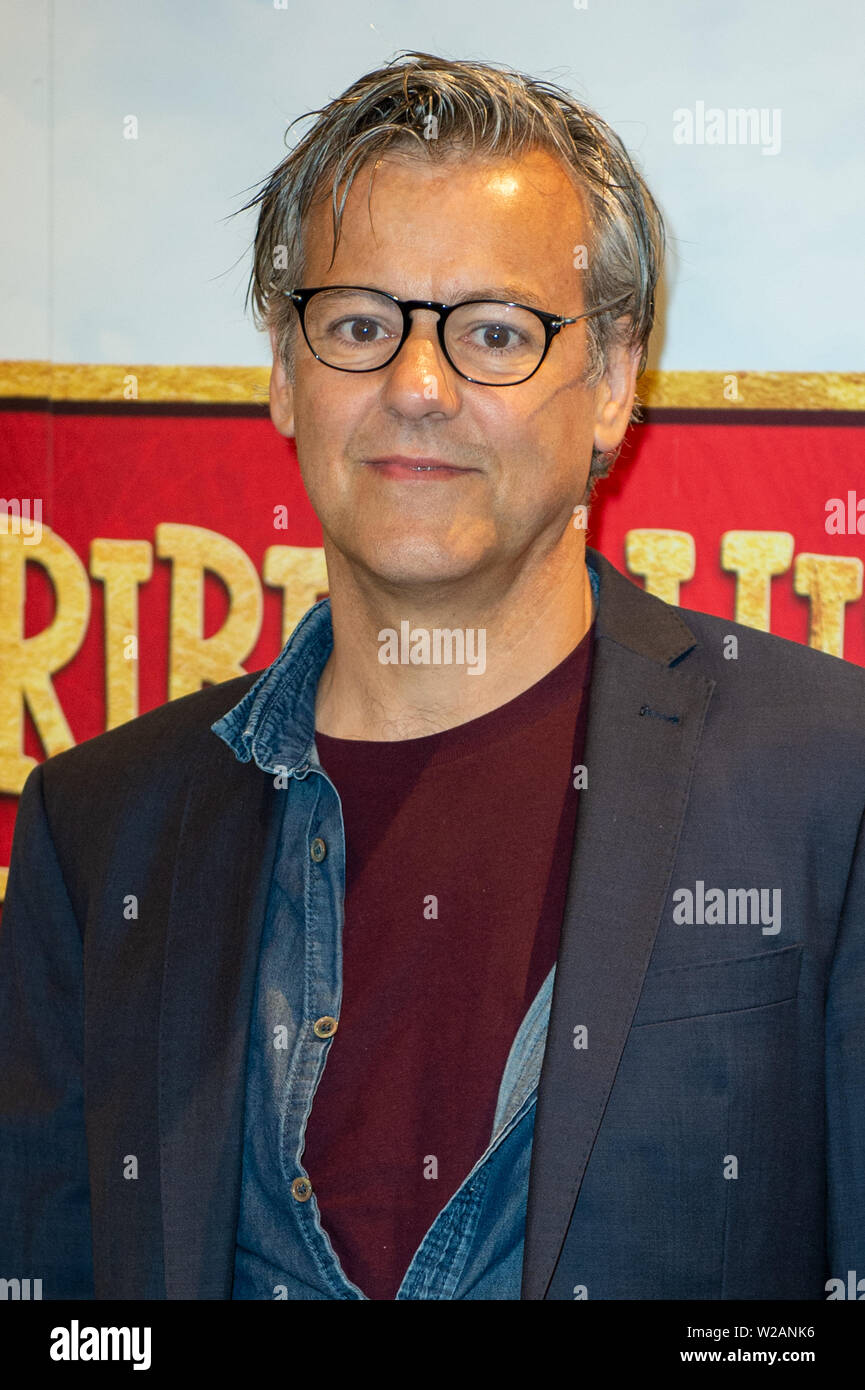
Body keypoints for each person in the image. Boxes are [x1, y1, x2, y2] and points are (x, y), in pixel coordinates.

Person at [1, 50, 863, 1302]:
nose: (417, 386)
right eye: (358, 324)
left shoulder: (826, 785)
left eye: (495, 333)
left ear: (614, 381)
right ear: (286, 376)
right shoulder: (100, 830)